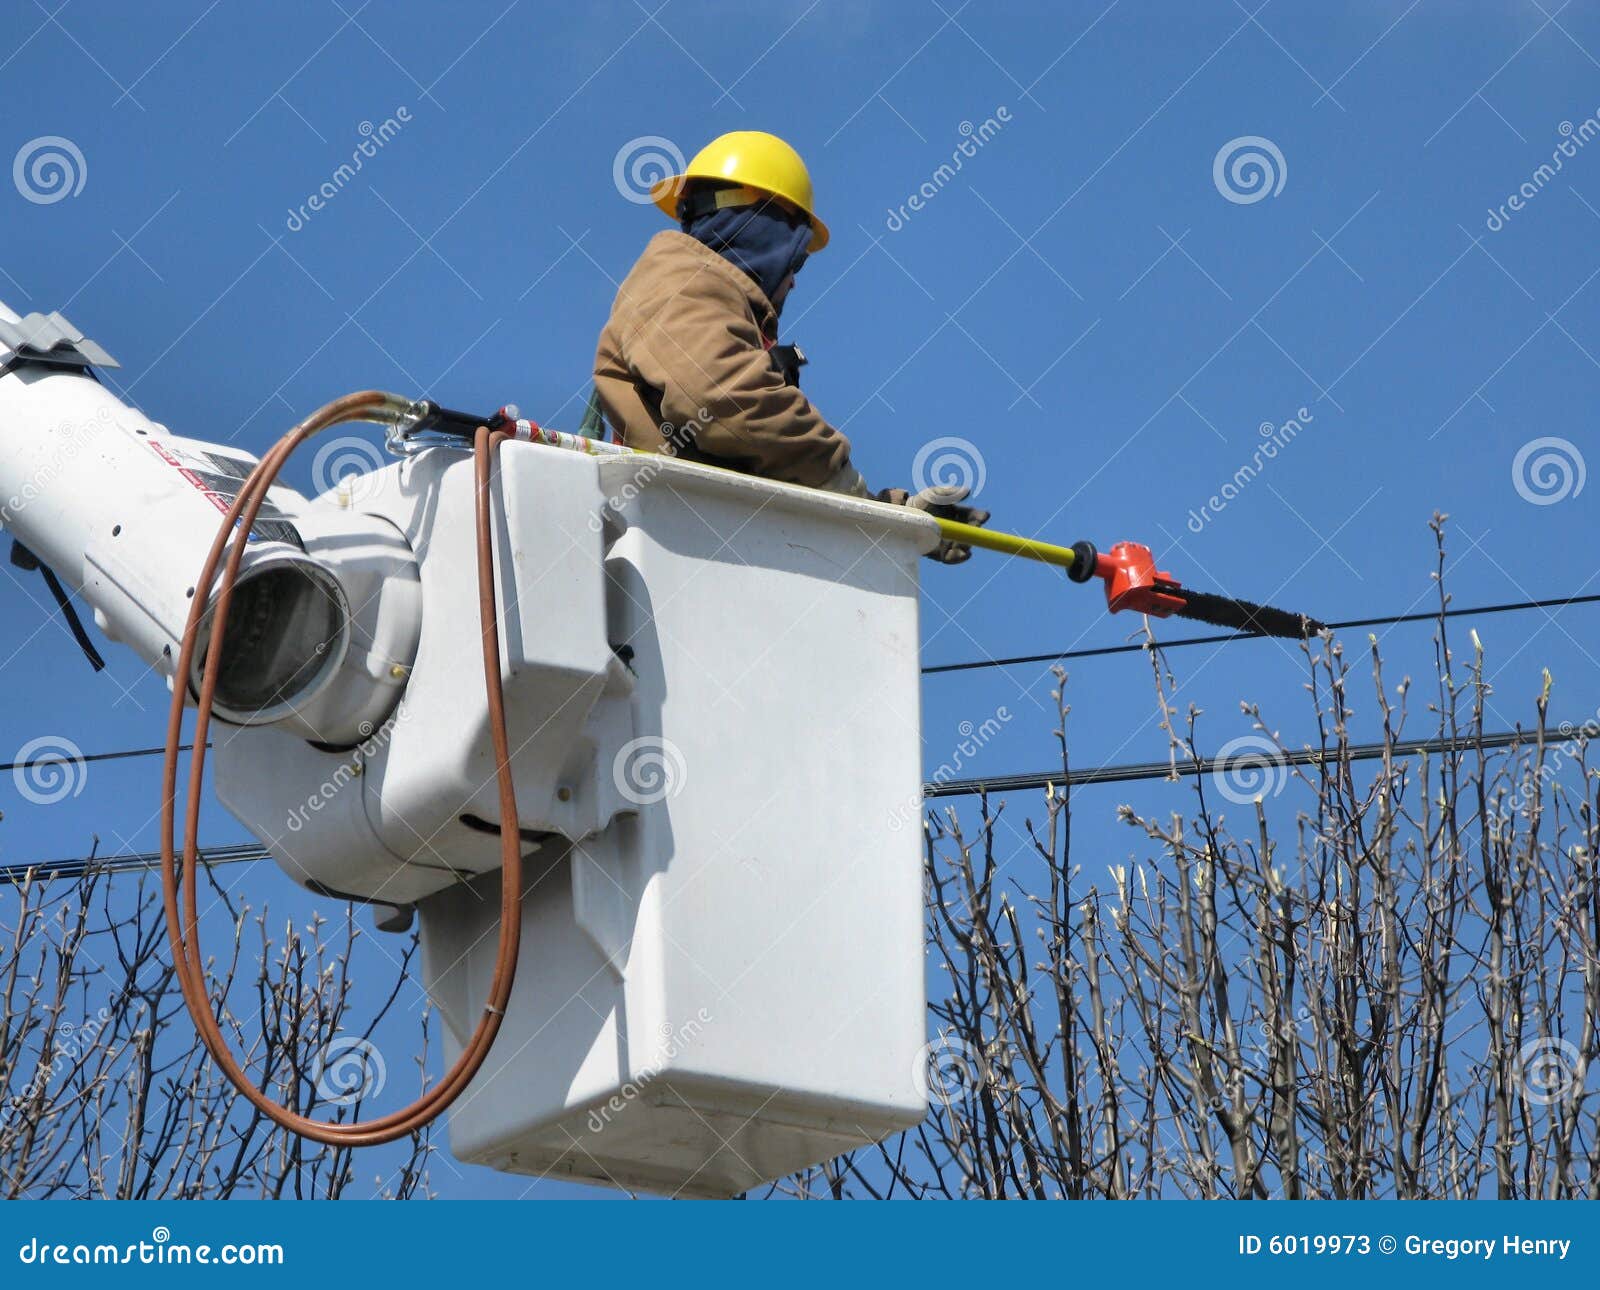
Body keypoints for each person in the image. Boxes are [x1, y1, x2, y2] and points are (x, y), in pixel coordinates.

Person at [591, 130, 987, 562]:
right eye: (794, 258)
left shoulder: (697, 298)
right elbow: (727, 401)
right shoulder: (680, 283)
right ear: (762, 233)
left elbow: (753, 454)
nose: (795, 280)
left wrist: (893, 518)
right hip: (684, 559)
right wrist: (840, 479)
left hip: (707, 552)